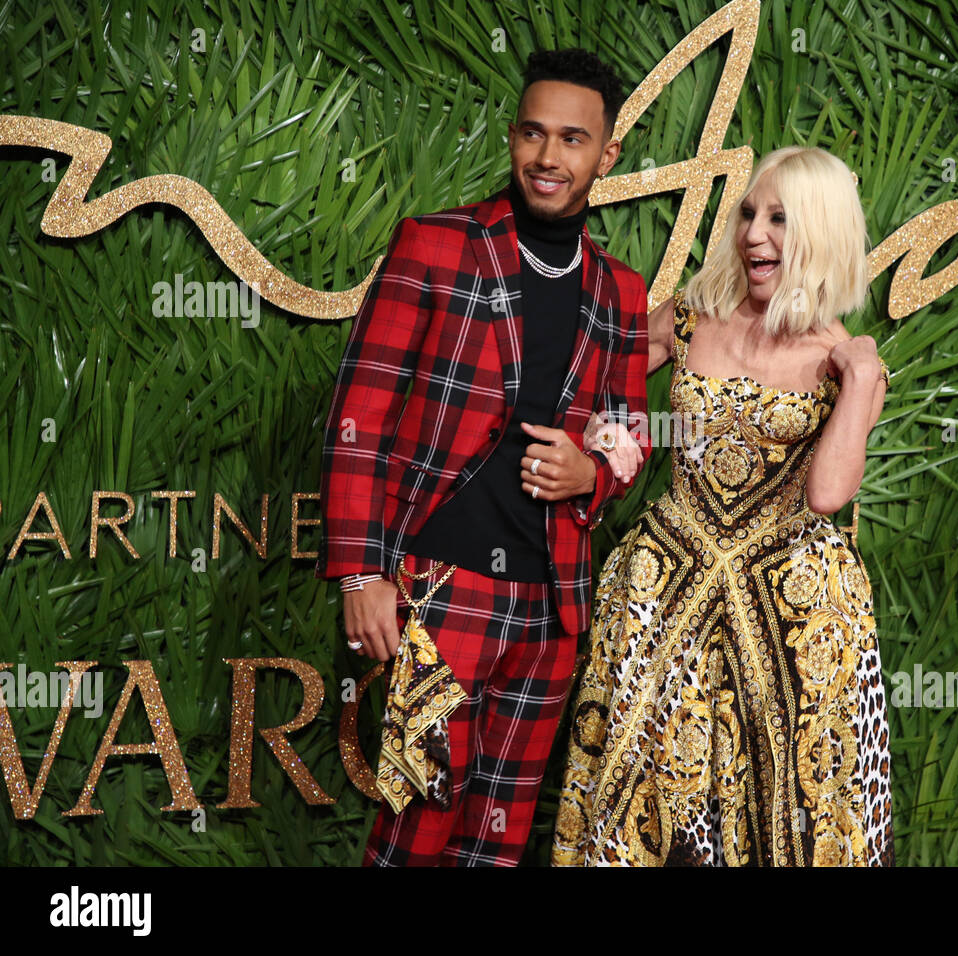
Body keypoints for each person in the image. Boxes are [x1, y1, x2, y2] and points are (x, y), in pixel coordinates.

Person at [315, 48, 651, 866]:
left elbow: (630, 427)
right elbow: (359, 411)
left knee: (495, 845)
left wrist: (592, 474)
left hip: (552, 607)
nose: (548, 157)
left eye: (573, 140)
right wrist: (361, 575)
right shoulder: (436, 245)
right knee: (414, 824)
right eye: (533, 134)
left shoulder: (622, 291)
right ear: (512, 138)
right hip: (439, 590)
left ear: (606, 156)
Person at [551, 145, 894, 866]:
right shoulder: (691, 317)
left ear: (822, 233)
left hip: (795, 617)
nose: (754, 234)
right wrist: (603, 443)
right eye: (747, 213)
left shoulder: (847, 360)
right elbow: (586, 376)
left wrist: (861, 378)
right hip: (664, 589)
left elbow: (828, 495)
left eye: (780, 219)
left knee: (787, 813)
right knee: (647, 804)